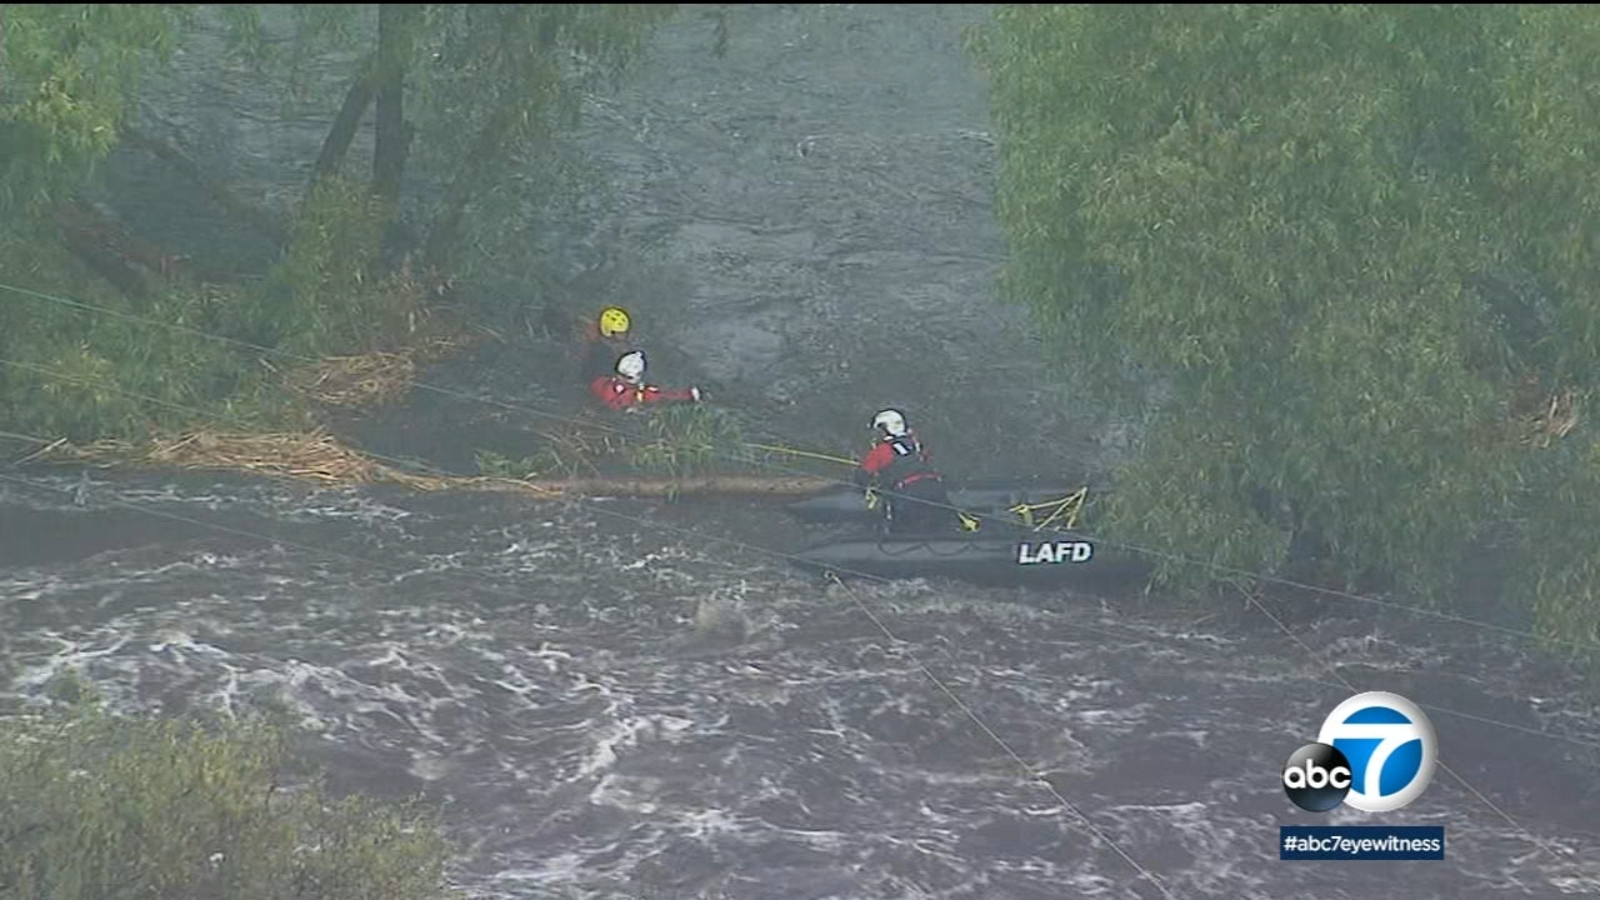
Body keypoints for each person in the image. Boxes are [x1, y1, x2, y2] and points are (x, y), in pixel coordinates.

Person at [852, 408, 957, 535]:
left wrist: (869, 490)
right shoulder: (916, 445)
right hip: (935, 490)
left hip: (908, 496)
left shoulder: (882, 450)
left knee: (904, 532)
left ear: (884, 429)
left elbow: (862, 475)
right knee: (941, 529)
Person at [590, 350, 703, 411]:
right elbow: (667, 396)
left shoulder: (601, 383)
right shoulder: (645, 395)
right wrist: (691, 395)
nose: (622, 379)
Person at [579, 306, 634, 384]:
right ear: (610, 333)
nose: (624, 336)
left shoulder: (606, 346)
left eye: (625, 332)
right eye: (620, 333)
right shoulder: (602, 353)